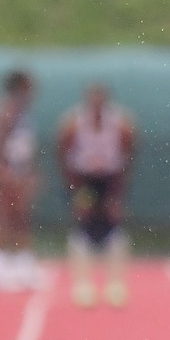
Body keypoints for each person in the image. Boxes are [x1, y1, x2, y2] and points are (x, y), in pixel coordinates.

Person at [57, 82, 135, 309]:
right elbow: (64, 155)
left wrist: (116, 195)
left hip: (110, 180)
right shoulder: (73, 123)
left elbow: (128, 155)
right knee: (83, 226)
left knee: (114, 227)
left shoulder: (121, 123)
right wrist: (76, 191)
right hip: (84, 180)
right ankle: (83, 285)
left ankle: (116, 285)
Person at [0, 69, 41, 291]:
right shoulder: (7, 109)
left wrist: (29, 170)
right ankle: (2, 266)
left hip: (19, 168)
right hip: (9, 169)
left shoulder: (22, 110)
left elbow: (25, 144)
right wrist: (1, 169)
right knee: (5, 215)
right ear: (21, 87)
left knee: (20, 216)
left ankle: (21, 263)